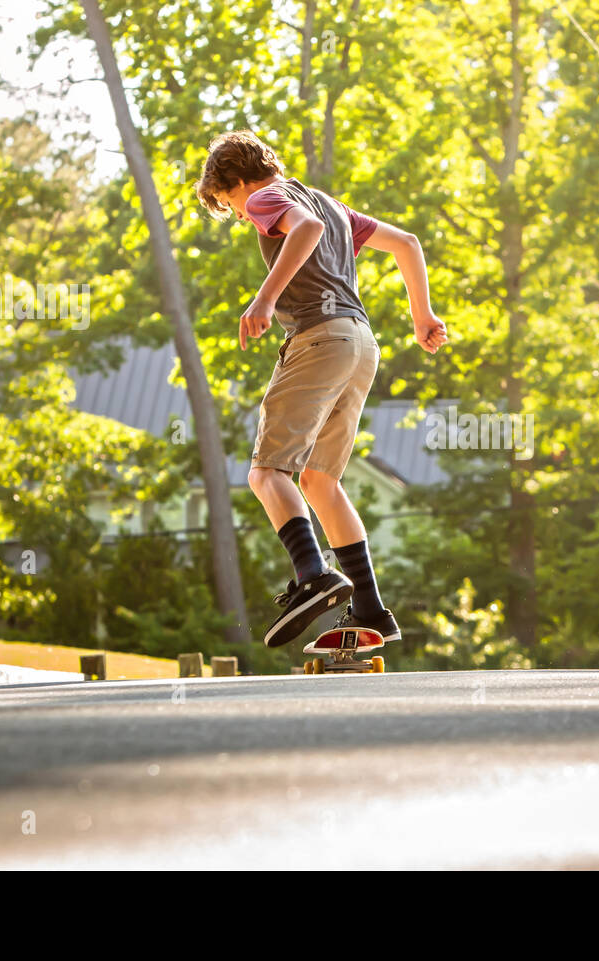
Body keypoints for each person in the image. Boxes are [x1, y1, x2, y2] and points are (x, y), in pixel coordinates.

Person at [194, 131, 447, 648]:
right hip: (361, 343)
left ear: (238, 181)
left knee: (267, 473)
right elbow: (407, 244)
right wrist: (422, 315)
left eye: (230, 203)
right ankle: (372, 609)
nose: (243, 216)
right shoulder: (331, 204)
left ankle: (313, 574)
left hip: (319, 338)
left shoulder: (268, 196)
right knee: (319, 481)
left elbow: (302, 229)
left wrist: (265, 299)